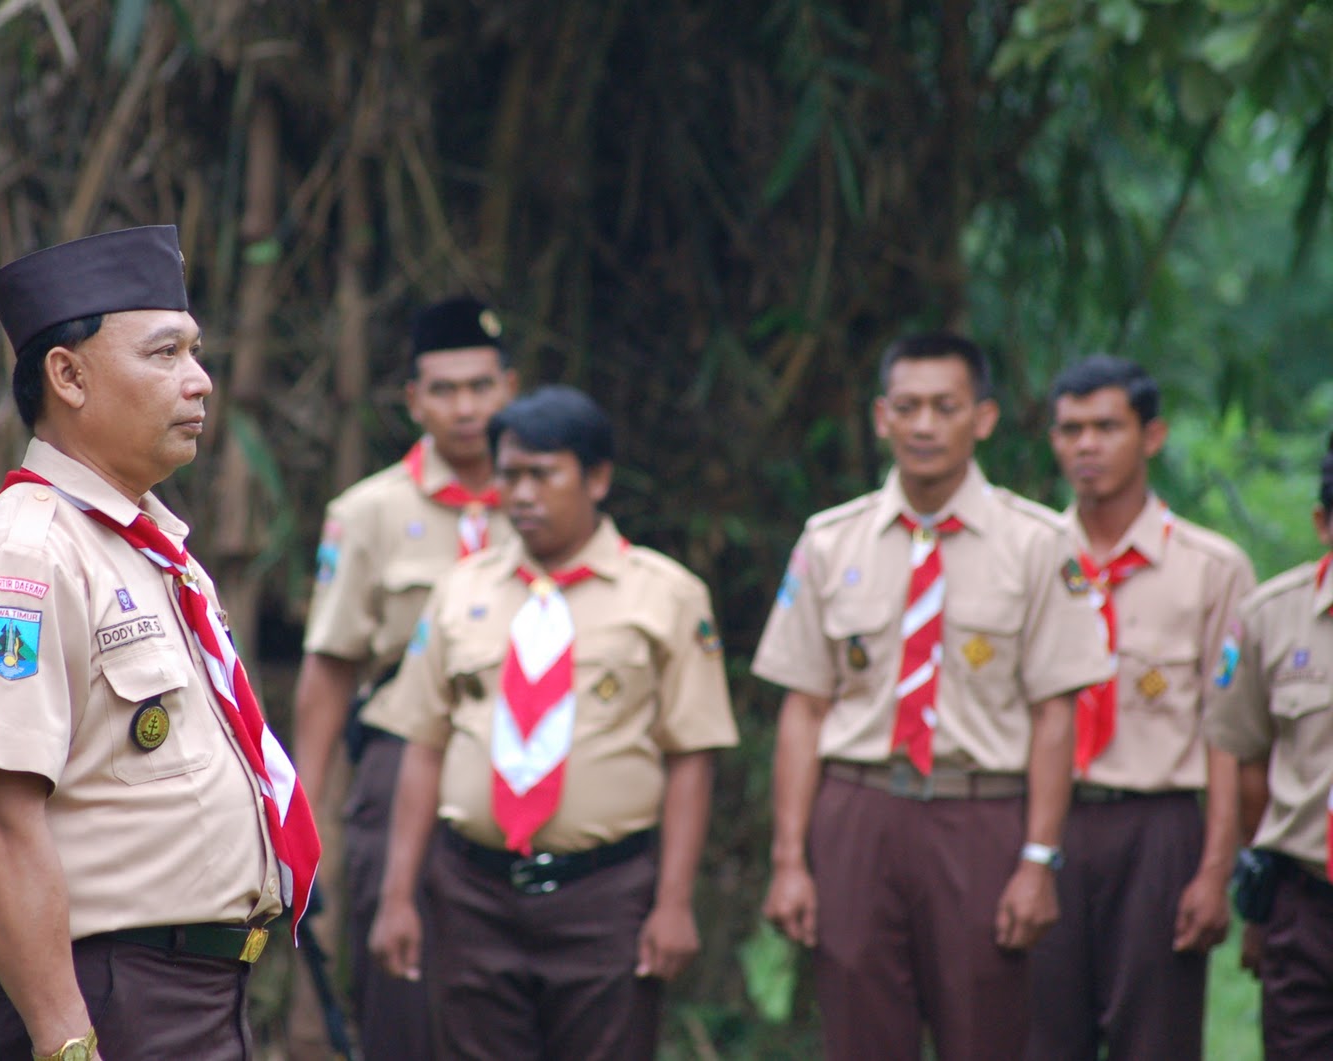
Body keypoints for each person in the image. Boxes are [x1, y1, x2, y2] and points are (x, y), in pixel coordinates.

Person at [0, 225, 319, 1061]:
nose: (200, 381)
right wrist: (68, 1043)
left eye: (197, 353)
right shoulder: (25, 558)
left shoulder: (143, 549)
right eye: (166, 353)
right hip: (103, 999)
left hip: (194, 997)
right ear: (67, 375)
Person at [754, 333, 1114, 1061]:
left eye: (944, 407)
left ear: (982, 418)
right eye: (907, 408)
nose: (923, 425)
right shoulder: (829, 542)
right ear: (881, 417)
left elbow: (1055, 715)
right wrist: (790, 857)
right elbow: (803, 709)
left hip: (979, 814)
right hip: (858, 811)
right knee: (858, 1029)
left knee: (985, 1026)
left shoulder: (1038, 543)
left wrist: (1038, 858)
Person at [368, 385, 737, 1059]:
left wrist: (674, 901)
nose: (523, 493)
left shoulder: (666, 596)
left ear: (597, 478)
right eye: (509, 474)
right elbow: (424, 742)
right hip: (471, 890)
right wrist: (399, 894)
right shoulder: (462, 590)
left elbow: (692, 754)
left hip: (604, 894)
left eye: (544, 473)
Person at [291, 296, 515, 1059]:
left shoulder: (547, 500)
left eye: (481, 386)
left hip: (522, 754)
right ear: (414, 399)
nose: (465, 407)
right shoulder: (369, 513)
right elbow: (330, 668)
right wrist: (303, 809)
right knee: (401, 981)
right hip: (399, 750)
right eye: (444, 389)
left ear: (509, 389)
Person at [1026, 356, 1255, 1060]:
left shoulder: (1211, 568)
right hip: (1041, 821)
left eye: (1106, 427)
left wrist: (1216, 868)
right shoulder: (1027, 553)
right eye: (1069, 429)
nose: (1085, 446)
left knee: (1154, 1037)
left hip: (1154, 826)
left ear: (1151, 436)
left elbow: (1228, 734)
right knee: (1038, 1035)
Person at [1205, 431, 1333, 1061]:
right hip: (1308, 902)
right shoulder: (1270, 619)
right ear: (1322, 524)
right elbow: (1247, 757)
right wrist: (1266, 895)